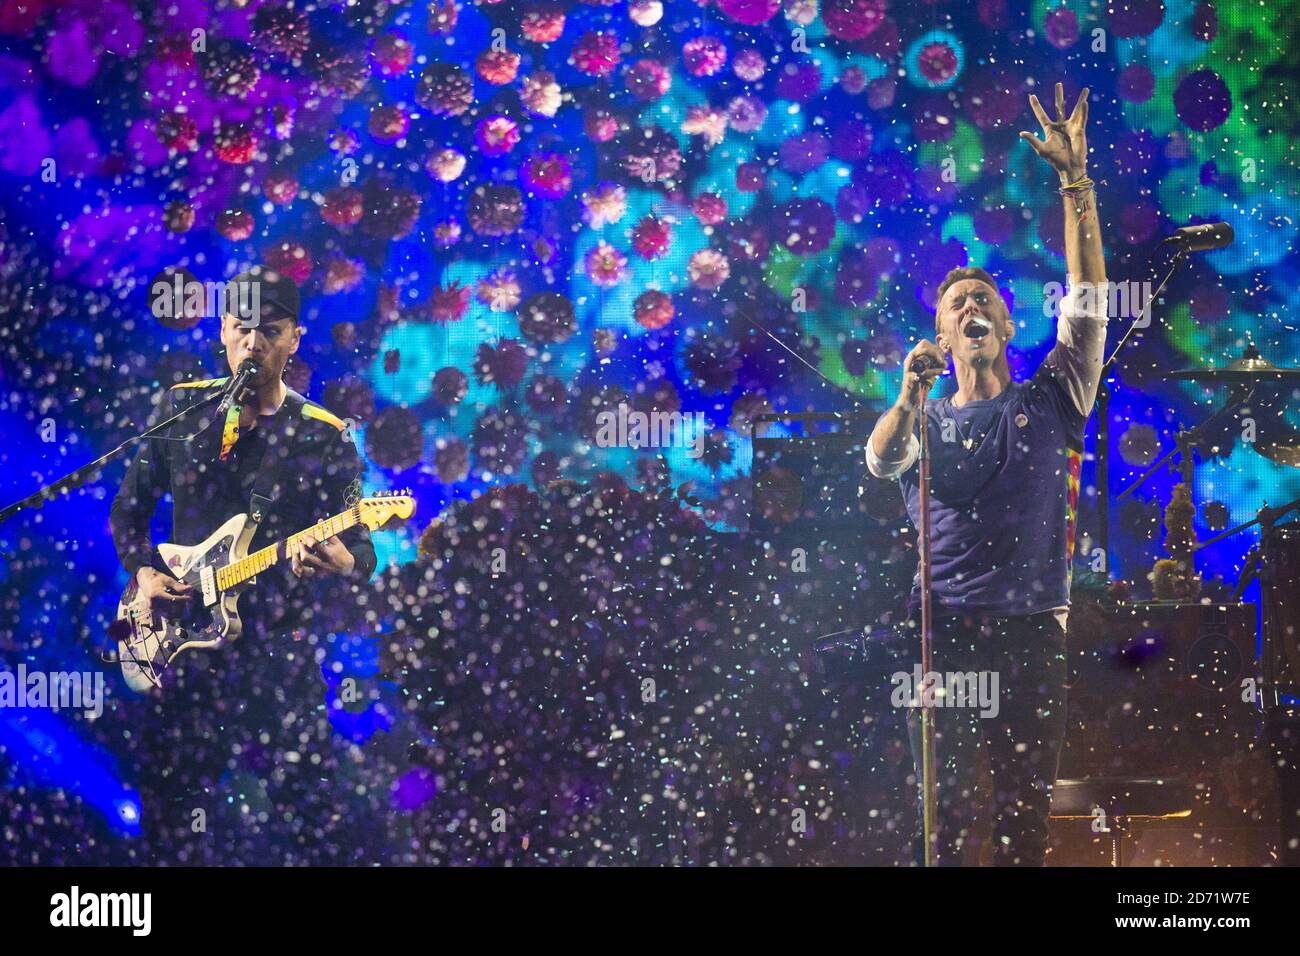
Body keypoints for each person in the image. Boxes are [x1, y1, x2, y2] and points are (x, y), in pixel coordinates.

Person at [866, 84, 1109, 865]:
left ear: (1006, 326)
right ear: (941, 333)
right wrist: (907, 393)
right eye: (957, 304)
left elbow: (1091, 300)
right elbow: (879, 459)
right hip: (941, 636)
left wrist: (1076, 184)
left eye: (984, 301)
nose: (971, 307)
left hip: (1032, 634)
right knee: (933, 818)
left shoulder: (1053, 398)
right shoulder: (923, 419)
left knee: (1019, 822)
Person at [110, 266, 381, 864]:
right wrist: (143, 572)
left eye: (269, 331)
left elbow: (362, 546)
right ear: (222, 330)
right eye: (240, 329)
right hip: (183, 652)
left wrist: (346, 560)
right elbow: (129, 512)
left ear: (294, 339)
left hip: (276, 653)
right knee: (173, 813)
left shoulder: (323, 437)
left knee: (310, 810)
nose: (252, 344)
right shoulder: (181, 411)